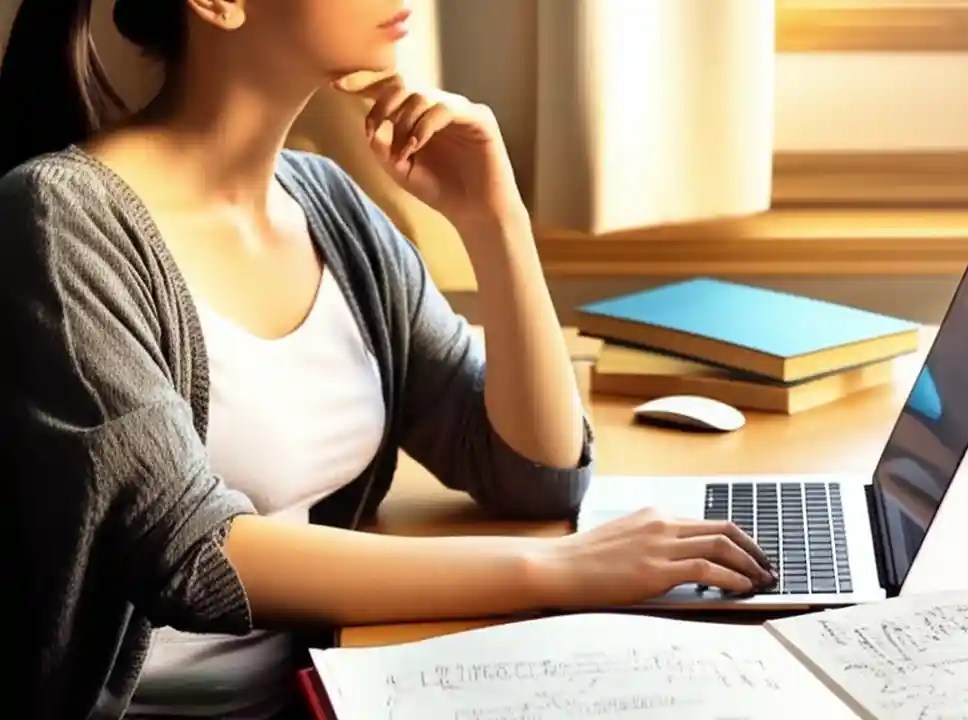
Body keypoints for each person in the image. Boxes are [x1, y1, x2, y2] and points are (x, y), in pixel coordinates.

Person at [0, 1, 776, 717]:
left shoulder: (328, 203)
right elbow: (195, 554)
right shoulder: (59, 218)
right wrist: (558, 570)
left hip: (322, 692)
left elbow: (531, 471)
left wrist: (495, 218)